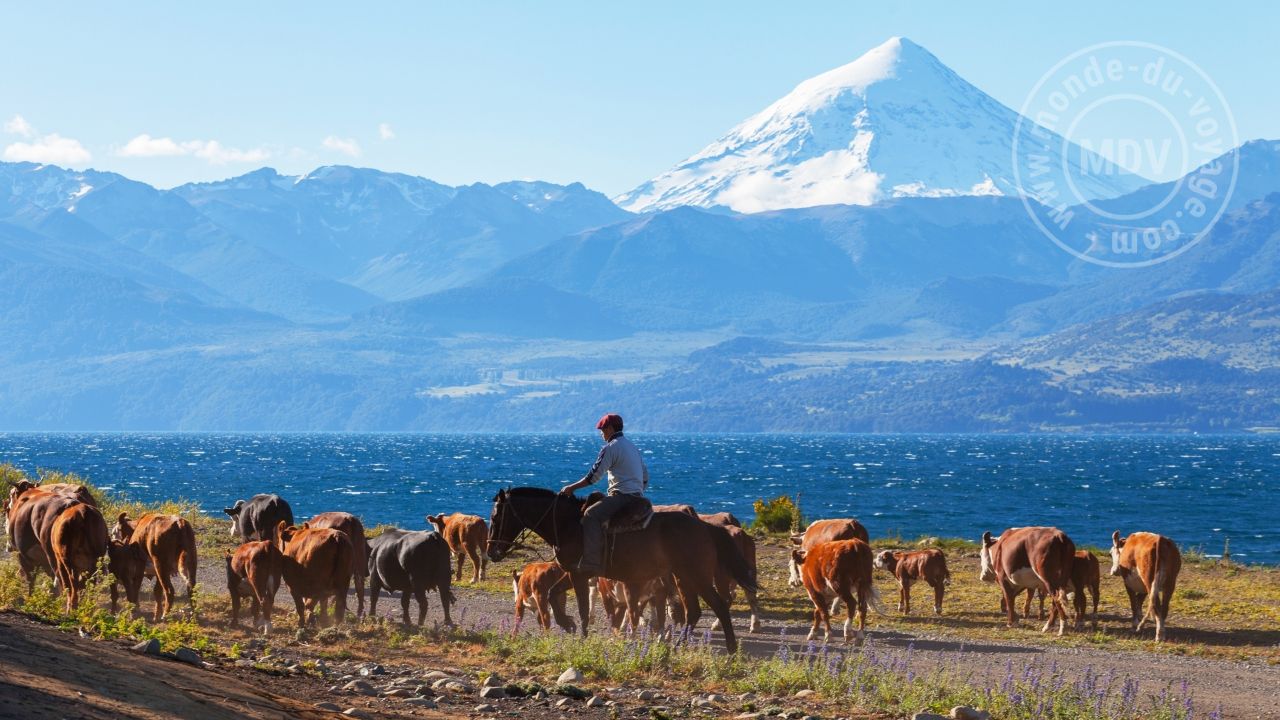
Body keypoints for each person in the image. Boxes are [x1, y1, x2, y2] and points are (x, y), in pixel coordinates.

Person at [559, 413, 650, 575]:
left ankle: (591, 563)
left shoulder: (610, 448)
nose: (601, 433)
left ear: (610, 428)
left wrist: (571, 488)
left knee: (590, 516)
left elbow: (593, 477)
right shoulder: (632, 447)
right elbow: (645, 478)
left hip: (622, 497)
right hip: (638, 497)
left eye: (602, 429)